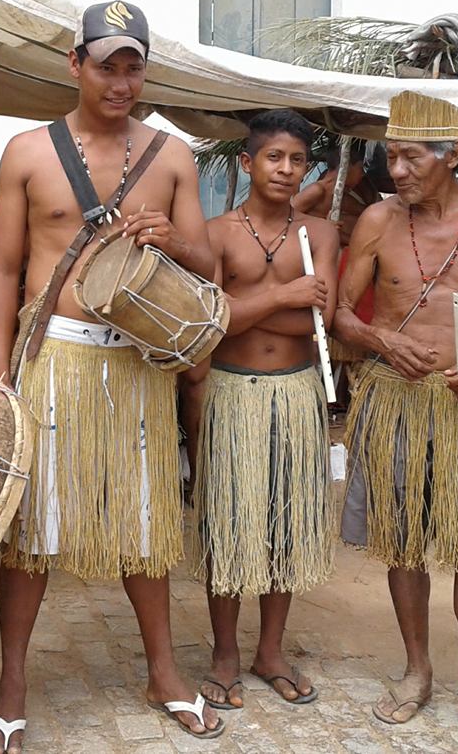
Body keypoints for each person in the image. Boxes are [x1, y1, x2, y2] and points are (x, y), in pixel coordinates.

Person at [0, 0, 223, 752]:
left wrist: (175, 238)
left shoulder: (172, 155)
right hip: (54, 357)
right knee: (33, 527)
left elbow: (208, 264)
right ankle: (11, 681)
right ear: (75, 64)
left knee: (147, 522)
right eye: (106, 65)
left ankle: (162, 672)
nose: (120, 82)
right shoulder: (27, 151)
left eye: (133, 67)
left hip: (138, 363)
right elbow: (3, 267)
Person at [332, 91, 458, 753]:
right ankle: (417, 671)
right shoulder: (377, 222)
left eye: (413, 156)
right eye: (391, 156)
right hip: (392, 399)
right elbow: (339, 317)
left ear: (452, 155)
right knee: (404, 544)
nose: (399, 171)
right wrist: (383, 342)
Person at [194, 109, 339, 711]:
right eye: (274, 158)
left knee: (287, 521)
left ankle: (270, 651)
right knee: (230, 524)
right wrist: (283, 295)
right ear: (248, 163)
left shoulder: (321, 236)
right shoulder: (215, 233)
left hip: (296, 391)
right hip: (231, 391)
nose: (285, 169)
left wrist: (243, 306)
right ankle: (225, 654)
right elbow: (209, 320)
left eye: (297, 160)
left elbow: (321, 320)